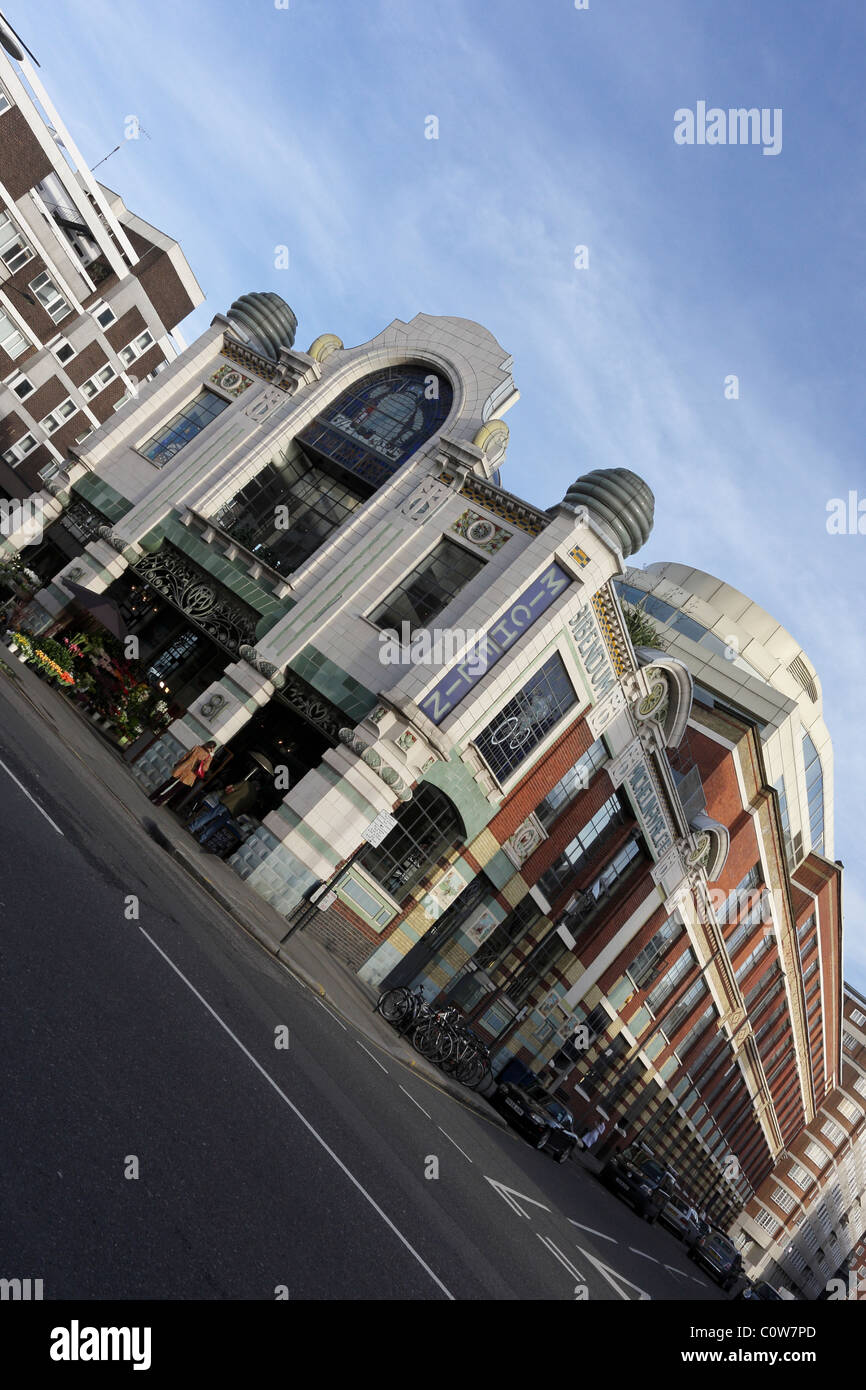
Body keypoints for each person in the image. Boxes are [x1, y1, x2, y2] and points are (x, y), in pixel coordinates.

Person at [149, 741, 216, 807]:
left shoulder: (197, 748)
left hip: (182, 768)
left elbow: (185, 756)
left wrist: (178, 763)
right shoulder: (208, 757)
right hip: (190, 775)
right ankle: (158, 802)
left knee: (167, 783)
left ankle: (153, 796)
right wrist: (206, 760)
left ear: (206, 744)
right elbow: (205, 769)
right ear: (212, 748)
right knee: (174, 790)